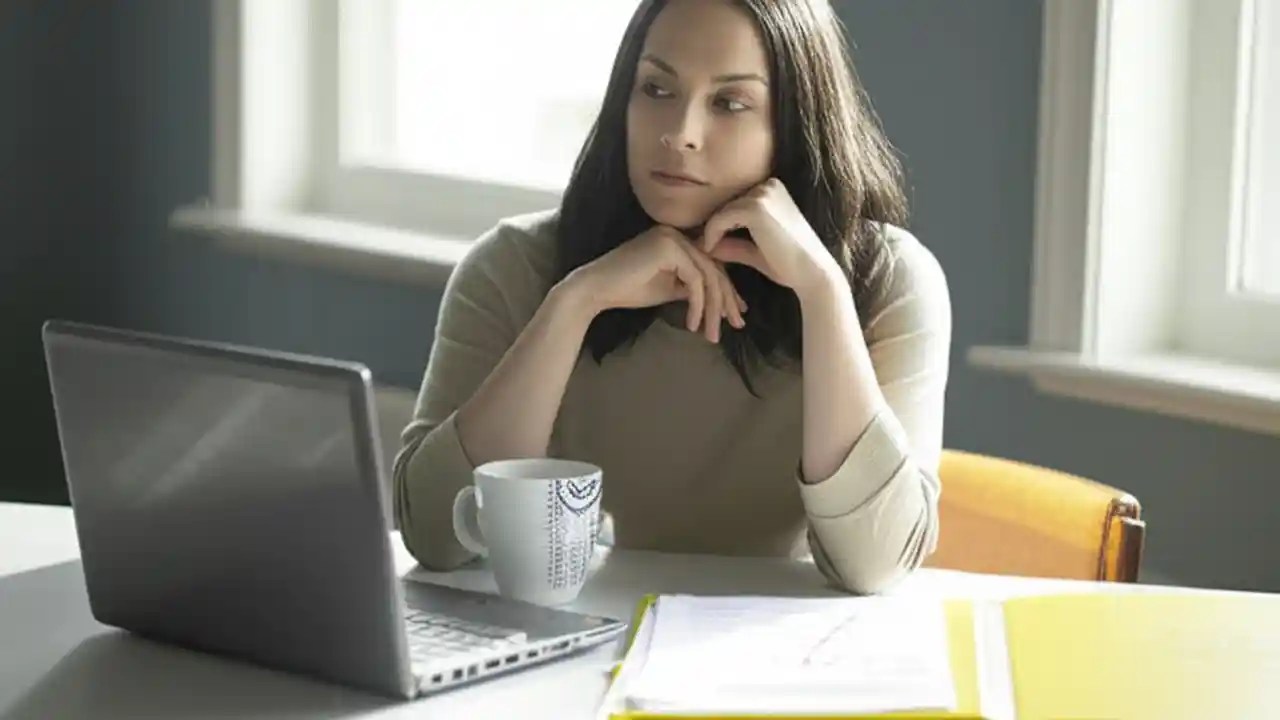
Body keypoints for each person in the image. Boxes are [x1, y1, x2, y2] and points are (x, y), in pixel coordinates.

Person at [392, 0, 951, 594]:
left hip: (781, 665)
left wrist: (822, 294)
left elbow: (877, 564)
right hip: (566, 653)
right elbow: (433, 534)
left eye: (730, 103)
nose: (679, 134)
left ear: (794, 125)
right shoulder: (511, 267)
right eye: (656, 88)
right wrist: (573, 304)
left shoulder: (885, 281)